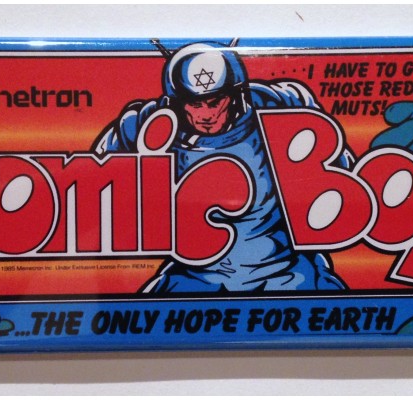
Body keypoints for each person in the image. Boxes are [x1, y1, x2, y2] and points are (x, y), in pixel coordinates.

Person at [94, 41, 353, 293]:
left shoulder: (282, 106)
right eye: (195, 104)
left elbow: (345, 176)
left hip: (287, 269)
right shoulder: (144, 125)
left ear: (235, 96)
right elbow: (94, 182)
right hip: (197, 276)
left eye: (214, 102)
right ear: (178, 103)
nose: (205, 115)